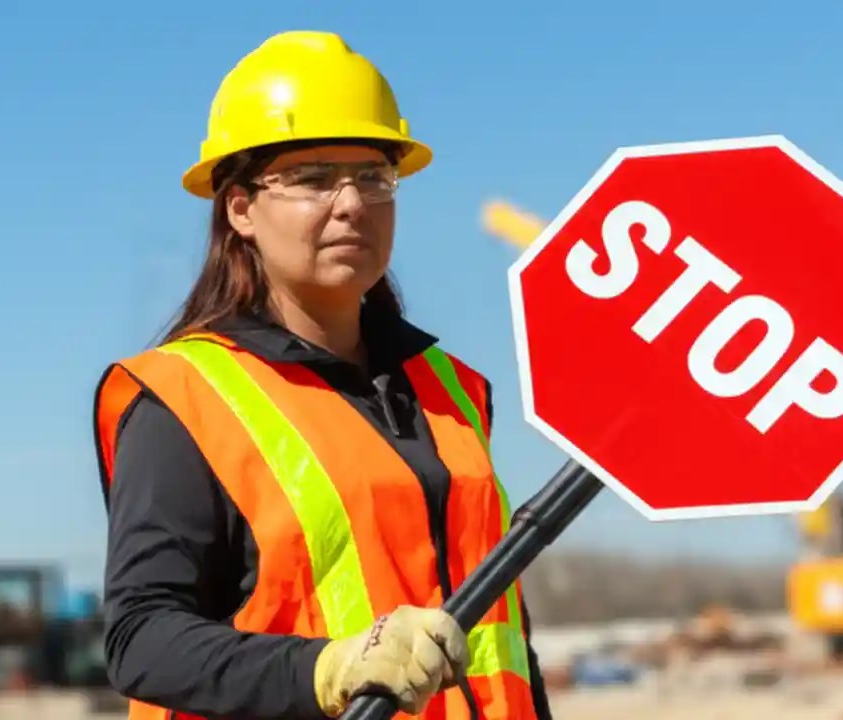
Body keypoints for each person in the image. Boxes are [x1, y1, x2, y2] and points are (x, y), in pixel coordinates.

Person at [92, 30, 553, 720]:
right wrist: (328, 668)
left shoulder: (452, 390)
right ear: (240, 207)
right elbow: (141, 639)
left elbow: (501, 632)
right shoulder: (183, 399)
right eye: (312, 178)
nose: (352, 203)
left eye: (373, 175)